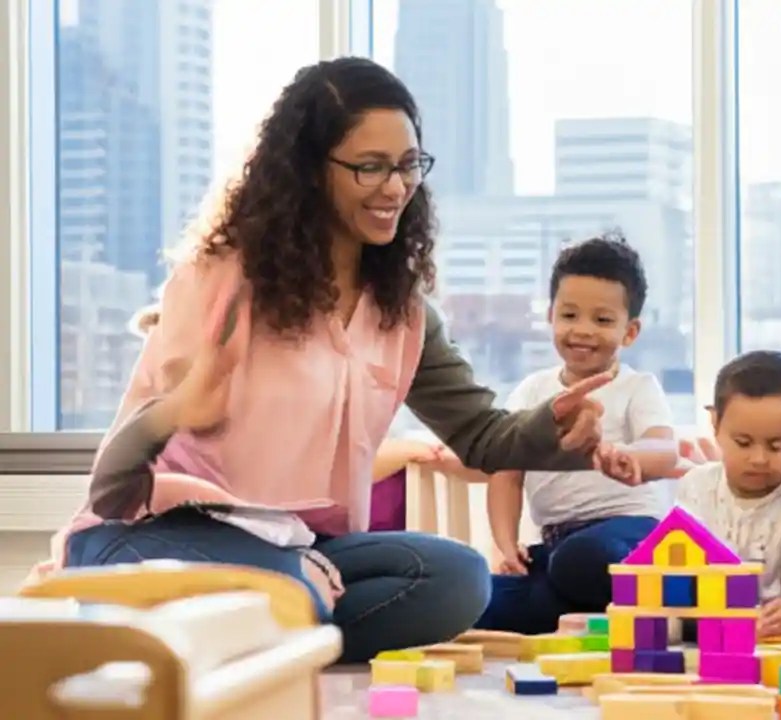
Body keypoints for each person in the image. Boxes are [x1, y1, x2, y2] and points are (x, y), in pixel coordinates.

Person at [35, 57, 652, 664]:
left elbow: (481, 433)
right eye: (370, 167)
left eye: (409, 165)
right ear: (308, 171)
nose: (396, 188)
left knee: (459, 577)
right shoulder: (222, 281)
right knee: (290, 587)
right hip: (152, 535)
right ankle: (263, 614)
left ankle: (252, 632)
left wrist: (556, 427)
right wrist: (178, 409)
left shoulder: (401, 310)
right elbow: (112, 485)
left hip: (307, 549)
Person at [128, 301, 476, 535]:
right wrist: (408, 451)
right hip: (242, 529)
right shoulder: (181, 434)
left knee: (450, 569)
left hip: (299, 529)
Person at [476, 234, 679, 633]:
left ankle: (671, 601)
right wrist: (506, 544)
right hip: (555, 546)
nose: (583, 330)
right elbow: (506, 473)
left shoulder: (638, 387)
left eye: (602, 320)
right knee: (479, 597)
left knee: (579, 560)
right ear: (551, 315)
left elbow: (666, 450)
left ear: (630, 331)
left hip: (630, 533)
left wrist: (631, 457)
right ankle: (602, 615)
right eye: (569, 316)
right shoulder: (532, 391)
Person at [677, 351, 781, 638]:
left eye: (776, 446)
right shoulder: (696, 486)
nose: (759, 459)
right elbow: (674, 569)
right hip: (704, 622)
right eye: (743, 443)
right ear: (715, 424)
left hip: (769, 634)